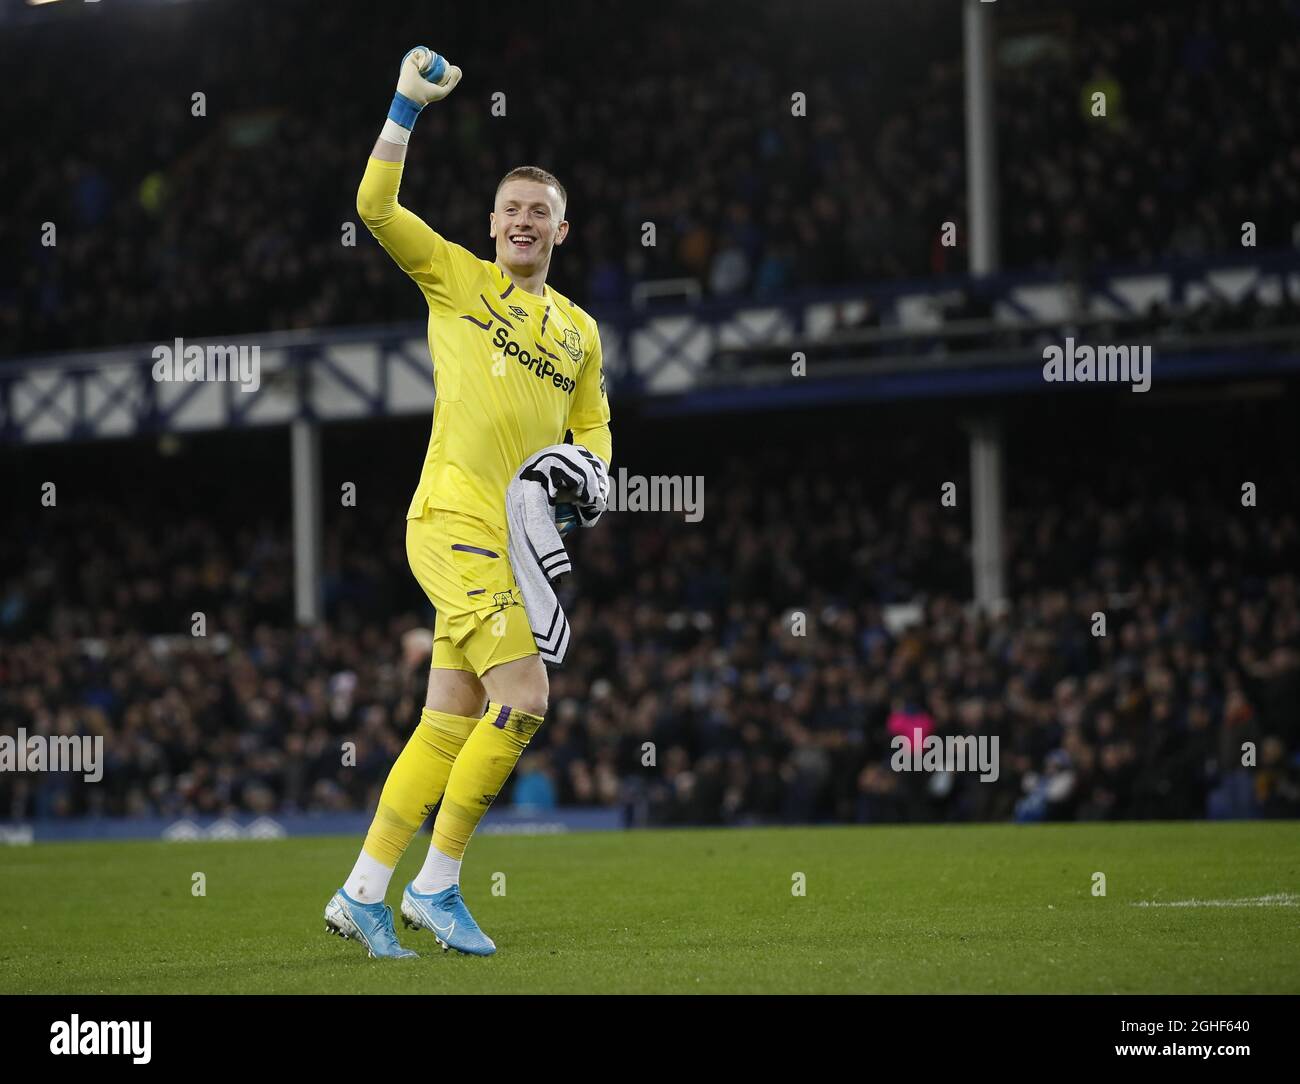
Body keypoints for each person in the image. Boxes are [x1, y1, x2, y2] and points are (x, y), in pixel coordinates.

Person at [324, 46, 612, 958]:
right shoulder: (456, 277)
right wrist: (405, 108)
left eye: (542, 213)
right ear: (492, 223)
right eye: (514, 209)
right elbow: (373, 209)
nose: (525, 222)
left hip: (512, 544)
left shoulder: (578, 331)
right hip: (450, 521)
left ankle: (363, 892)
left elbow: (593, 430)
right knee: (525, 695)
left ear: (562, 233)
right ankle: (437, 887)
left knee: (448, 719)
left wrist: (592, 479)